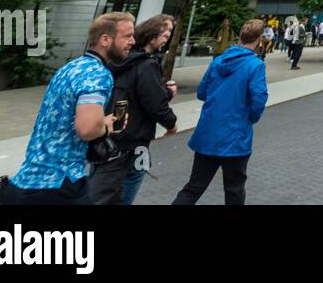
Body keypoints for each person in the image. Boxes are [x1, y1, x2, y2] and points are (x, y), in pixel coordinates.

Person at [0, 13, 134, 205]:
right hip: (58, 186)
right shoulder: (97, 74)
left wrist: (99, 121)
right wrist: (105, 127)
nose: (132, 41)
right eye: (127, 36)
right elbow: (87, 129)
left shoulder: (70, 68)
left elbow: (67, 119)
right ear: (105, 39)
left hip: (22, 184)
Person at [172, 19, 269, 205]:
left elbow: (202, 92)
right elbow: (259, 98)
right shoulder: (255, 65)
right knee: (234, 189)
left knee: (194, 186)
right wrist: (251, 117)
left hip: (208, 132)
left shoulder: (218, 61)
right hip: (235, 135)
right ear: (259, 39)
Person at [90, 13, 179, 204]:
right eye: (166, 31)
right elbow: (155, 104)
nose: (167, 36)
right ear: (152, 32)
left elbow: (138, 92)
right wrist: (171, 125)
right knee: (127, 183)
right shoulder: (147, 65)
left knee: (102, 188)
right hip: (134, 142)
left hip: (108, 137)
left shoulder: (118, 61)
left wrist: (166, 93)